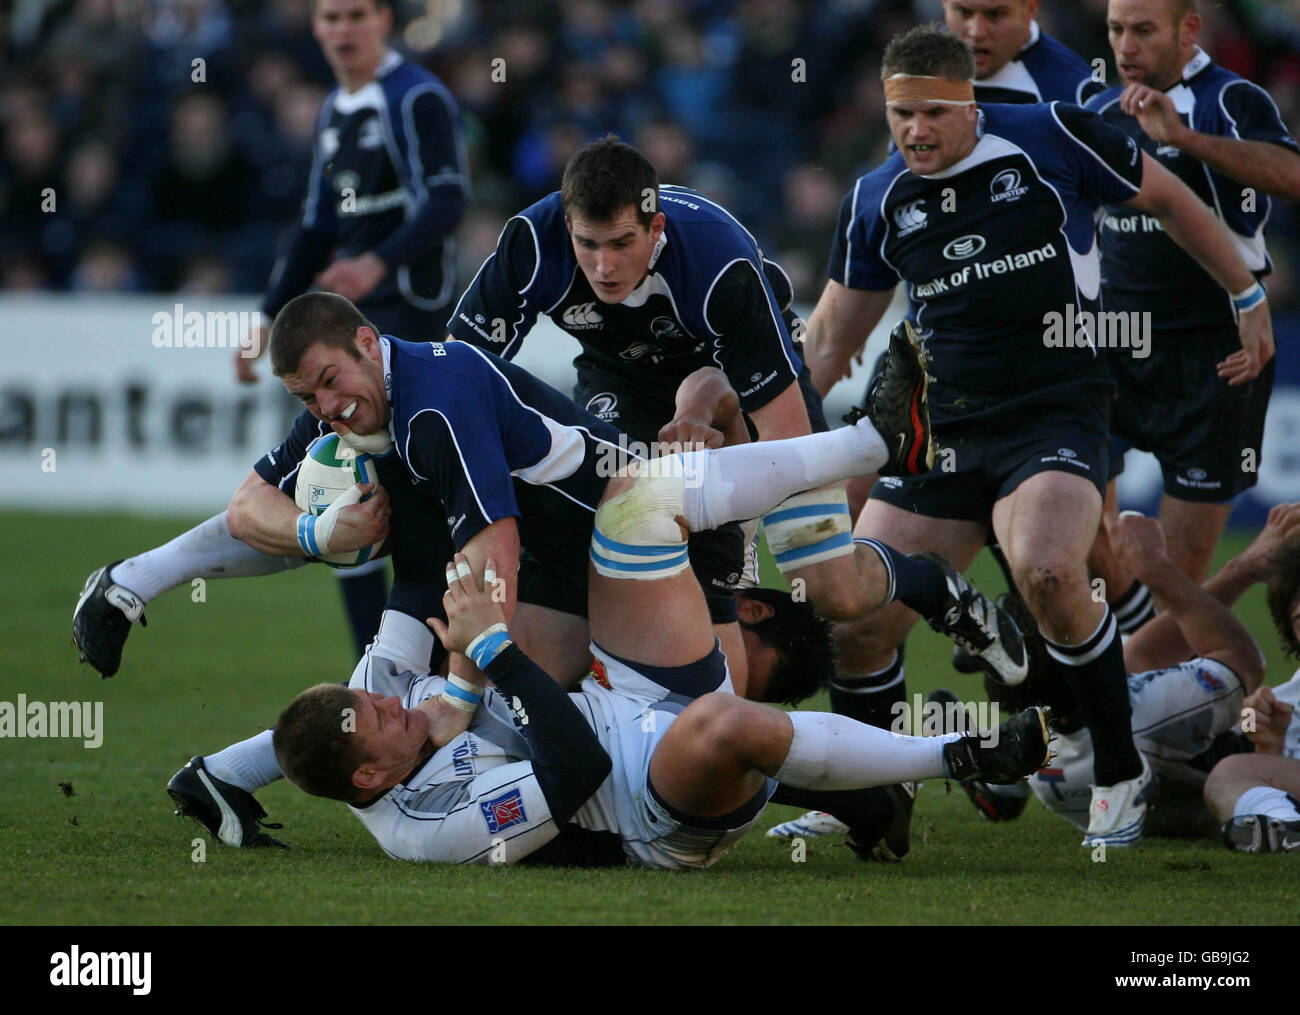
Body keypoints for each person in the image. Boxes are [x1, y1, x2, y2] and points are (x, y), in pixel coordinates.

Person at [800, 23, 1274, 848]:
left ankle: (1120, 771)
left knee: (1053, 573)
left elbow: (1165, 196)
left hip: (1055, 409)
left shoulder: (1048, 137)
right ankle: (874, 793)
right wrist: (777, 445)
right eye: (900, 114)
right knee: (854, 619)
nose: (915, 130)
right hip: (942, 425)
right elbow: (833, 339)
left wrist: (1245, 295)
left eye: (934, 113)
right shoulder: (876, 198)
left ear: (971, 104)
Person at [270, 439, 1052, 868]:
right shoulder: (429, 829)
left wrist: (391, 471)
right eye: (377, 714)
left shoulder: (374, 709)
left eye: (370, 693)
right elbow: (580, 770)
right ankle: (963, 755)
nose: (388, 696)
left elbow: (412, 587)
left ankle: (870, 437)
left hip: (619, 691)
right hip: (651, 811)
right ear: (370, 775)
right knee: (720, 724)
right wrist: (494, 657)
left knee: (635, 501)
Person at [445, 136, 894, 681]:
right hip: (623, 381)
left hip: (735, 382)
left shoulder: (715, 262)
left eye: (621, 243)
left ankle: (930, 585)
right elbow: (457, 376)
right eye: (588, 244)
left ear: (656, 230)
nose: (603, 265)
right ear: (567, 228)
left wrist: (736, 526)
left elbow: (785, 442)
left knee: (833, 592)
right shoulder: (533, 244)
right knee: (613, 516)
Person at [235, 0, 470, 657]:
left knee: (408, 505)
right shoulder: (335, 110)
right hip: (354, 323)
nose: (342, 29)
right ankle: (375, 669)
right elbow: (315, 227)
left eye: (356, 14)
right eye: (330, 17)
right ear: (316, 27)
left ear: (384, 21)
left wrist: (377, 262)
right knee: (349, 485)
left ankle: (424, 670)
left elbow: (448, 199)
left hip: (409, 322)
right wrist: (264, 317)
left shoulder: (417, 98)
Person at [1082, 0, 1300, 612]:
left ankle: (1155, 683)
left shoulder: (1232, 102)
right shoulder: (1098, 112)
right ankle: (1095, 659)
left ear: (1188, 30)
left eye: (1143, 31)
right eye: (1117, 31)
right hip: (1116, 342)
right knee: (1074, 535)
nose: (1126, 46)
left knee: (1176, 586)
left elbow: (1290, 174)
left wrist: (1185, 141)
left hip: (1217, 353)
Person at [943, 0, 1104, 105]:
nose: (977, 32)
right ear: (944, 4)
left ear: (1030, 10)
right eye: (964, 12)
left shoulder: (1078, 95)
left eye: (995, 14)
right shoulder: (920, 64)